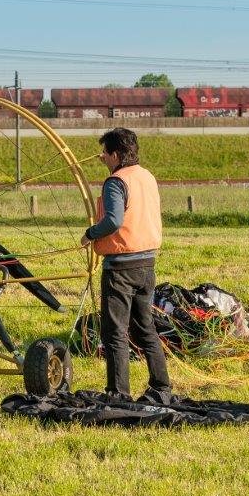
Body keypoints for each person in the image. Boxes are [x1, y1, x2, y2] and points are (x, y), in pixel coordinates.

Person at [80, 127, 171, 404]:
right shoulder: (146, 176)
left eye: (105, 153)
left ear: (116, 155)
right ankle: (162, 388)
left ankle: (118, 393)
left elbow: (114, 220)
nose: (103, 157)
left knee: (115, 332)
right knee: (145, 328)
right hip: (147, 264)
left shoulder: (116, 182)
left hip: (120, 268)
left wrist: (90, 234)